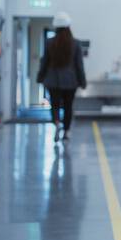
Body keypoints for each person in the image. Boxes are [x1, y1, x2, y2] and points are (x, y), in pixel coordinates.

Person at [36, 12, 86, 143]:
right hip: (71, 82)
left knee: (55, 105)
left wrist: (40, 77)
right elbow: (79, 65)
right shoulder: (75, 43)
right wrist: (82, 81)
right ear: (69, 27)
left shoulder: (49, 43)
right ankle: (67, 131)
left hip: (52, 81)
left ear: (56, 27)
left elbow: (44, 62)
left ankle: (57, 124)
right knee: (68, 106)